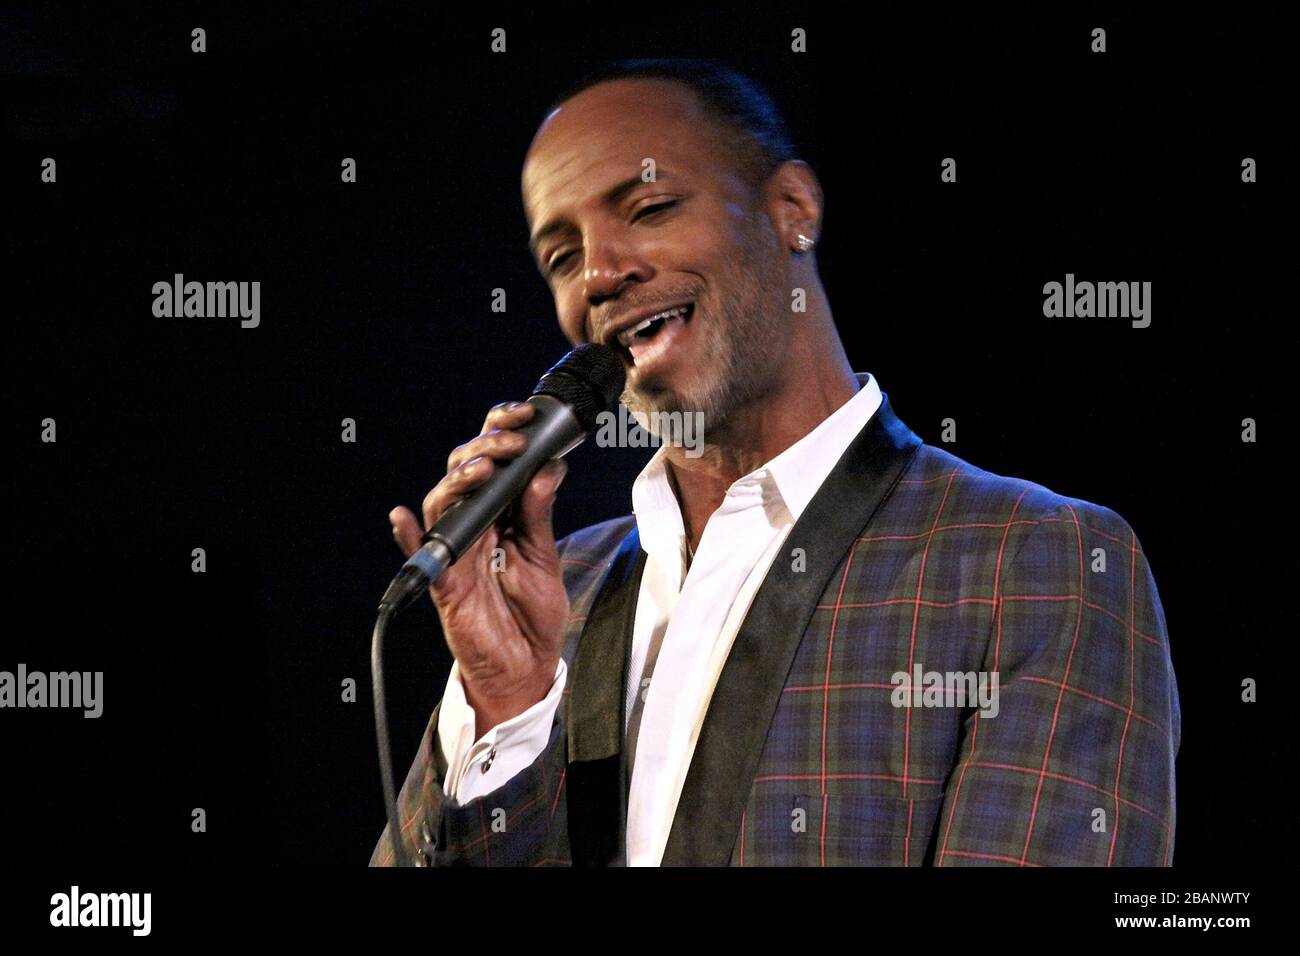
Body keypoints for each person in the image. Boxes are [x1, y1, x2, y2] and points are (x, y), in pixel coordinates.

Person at [370, 58, 1180, 867]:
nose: (600, 274)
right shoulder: (552, 598)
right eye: (561, 257)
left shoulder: (1038, 561)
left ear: (792, 208)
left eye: (650, 207)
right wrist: (505, 703)